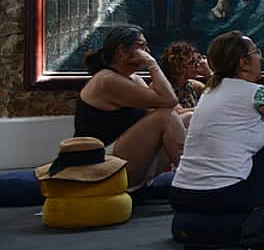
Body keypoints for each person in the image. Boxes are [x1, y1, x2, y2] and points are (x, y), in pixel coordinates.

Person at [170, 31, 264, 214]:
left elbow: (244, 119)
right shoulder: (260, 93)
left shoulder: (211, 89)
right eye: (256, 52)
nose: (261, 56)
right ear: (243, 62)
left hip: (181, 193)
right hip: (224, 194)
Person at [75, 25, 186, 192]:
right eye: (141, 46)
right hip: (100, 166)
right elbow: (169, 101)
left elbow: (167, 107)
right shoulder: (106, 80)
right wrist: (152, 63)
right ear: (122, 51)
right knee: (166, 117)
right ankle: (193, 180)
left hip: (123, 160)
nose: (147, 51)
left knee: (187, 118)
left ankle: (206, 172)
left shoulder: (133, 79)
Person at [161, 41, 207, 128]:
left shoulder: (193, 86)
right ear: (178, 65)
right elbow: (178, 112)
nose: (197, 65)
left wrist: (209, 73)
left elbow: (218, 98)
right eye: (192, 62)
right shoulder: (161, 87)